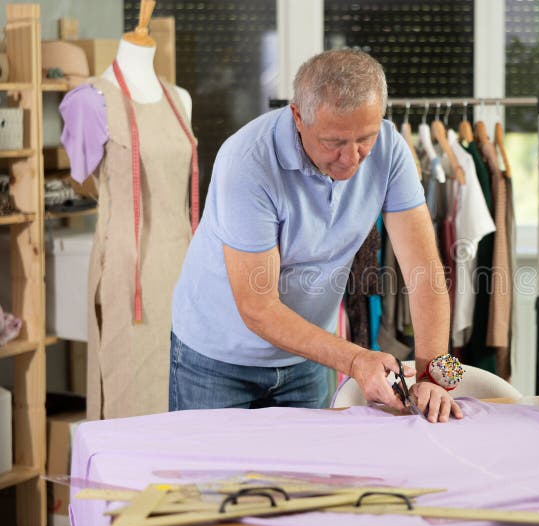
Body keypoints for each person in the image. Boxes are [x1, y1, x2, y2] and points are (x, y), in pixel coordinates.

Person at [170, 49, 463, 422]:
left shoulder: (390, 148)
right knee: (211, 463)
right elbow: (258, 307)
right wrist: (355, 359)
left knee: (310, 464)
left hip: (307, 356)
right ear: (297, 117)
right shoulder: (247, 162)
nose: (352, 158)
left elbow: (425, 271)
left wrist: (435, 375)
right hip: (217, 359)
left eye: (365, 138)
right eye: (334, 142)